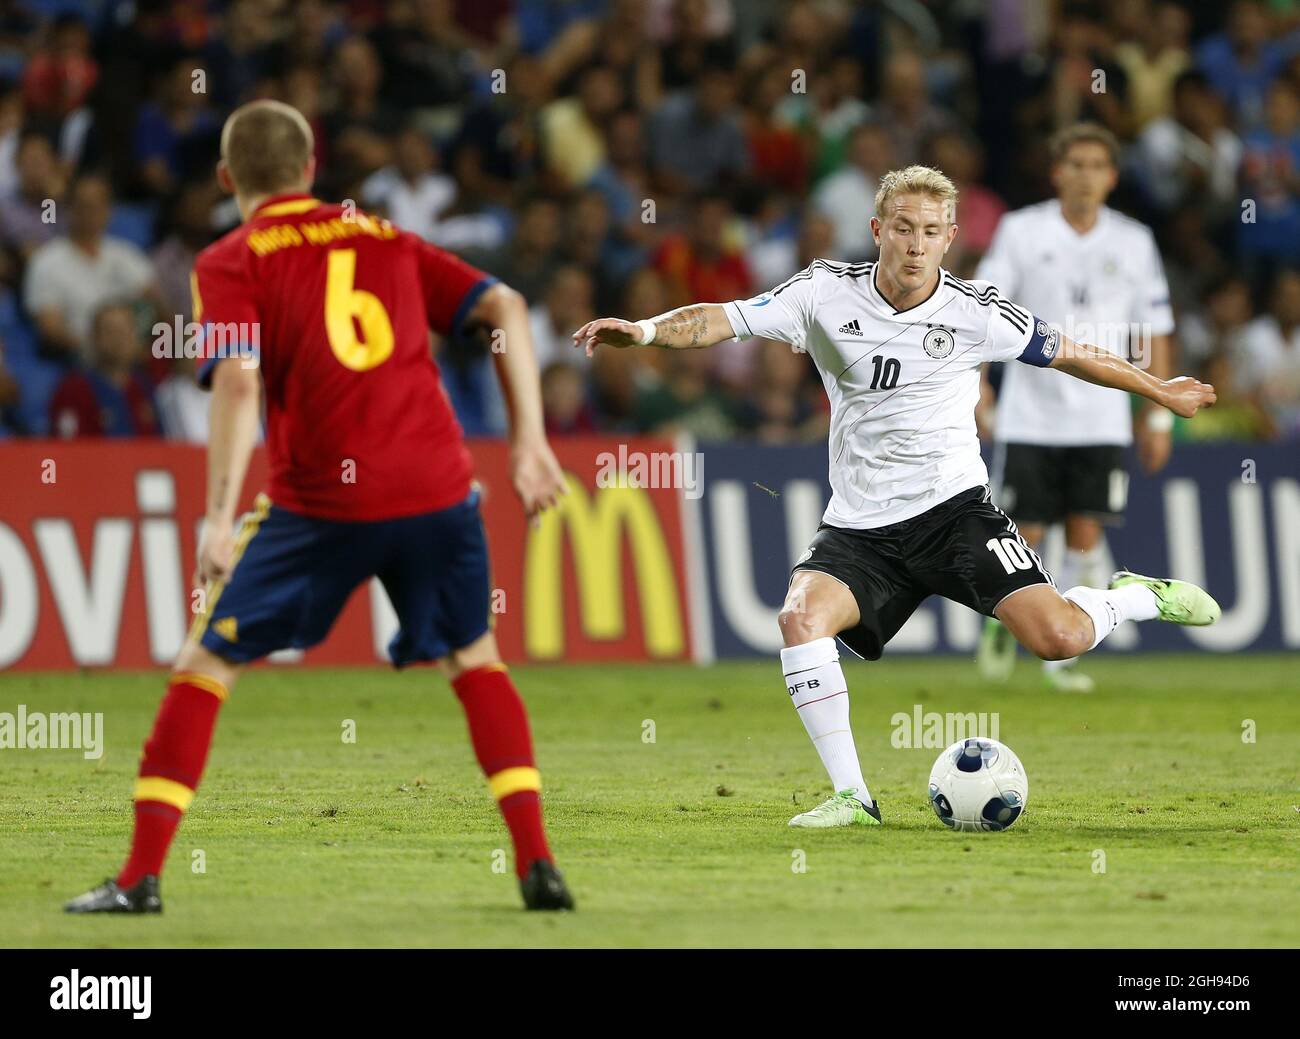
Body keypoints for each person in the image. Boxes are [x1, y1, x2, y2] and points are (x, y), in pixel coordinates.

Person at [574, 164, 1219, 830]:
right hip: (860, 529)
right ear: (878, 230)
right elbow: (723, 319)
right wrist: (645, 332)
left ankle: (1135, 595)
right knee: (799, 617)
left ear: (950, 240)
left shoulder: (976, 312)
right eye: (904, 228)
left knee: (1060, 638)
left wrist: (1160, 391)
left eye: (931, 232)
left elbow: (1073, 352)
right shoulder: (824, 292)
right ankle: (853, 796)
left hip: (956, 513)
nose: (915, 244)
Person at [65, 100, 574, 913]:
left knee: (207, 662)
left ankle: (139, 879)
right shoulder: (385, 237)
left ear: (228, 179)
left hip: (322, 505)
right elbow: (505, 305)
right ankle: (538, 862)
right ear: (310, 168)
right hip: (438, 490)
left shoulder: (232, 258)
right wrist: (529, 443)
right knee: (474, 657)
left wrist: (218, 517)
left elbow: (235, 380)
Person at [974, 123, 1177, 693]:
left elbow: (1155, 328)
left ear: (1112, 177)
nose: (1085, 175)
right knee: (1025, 537)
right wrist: (980, 385)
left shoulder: (1134, 240)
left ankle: (1060, 660)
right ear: (1056, 172)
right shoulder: (1021, 230)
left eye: (1097, 165)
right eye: (1075, 163)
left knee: (1086, 535)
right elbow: (984, 310)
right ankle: (1002, 625)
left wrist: (1156, 412)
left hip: (1102, 415)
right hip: (1032, 414)